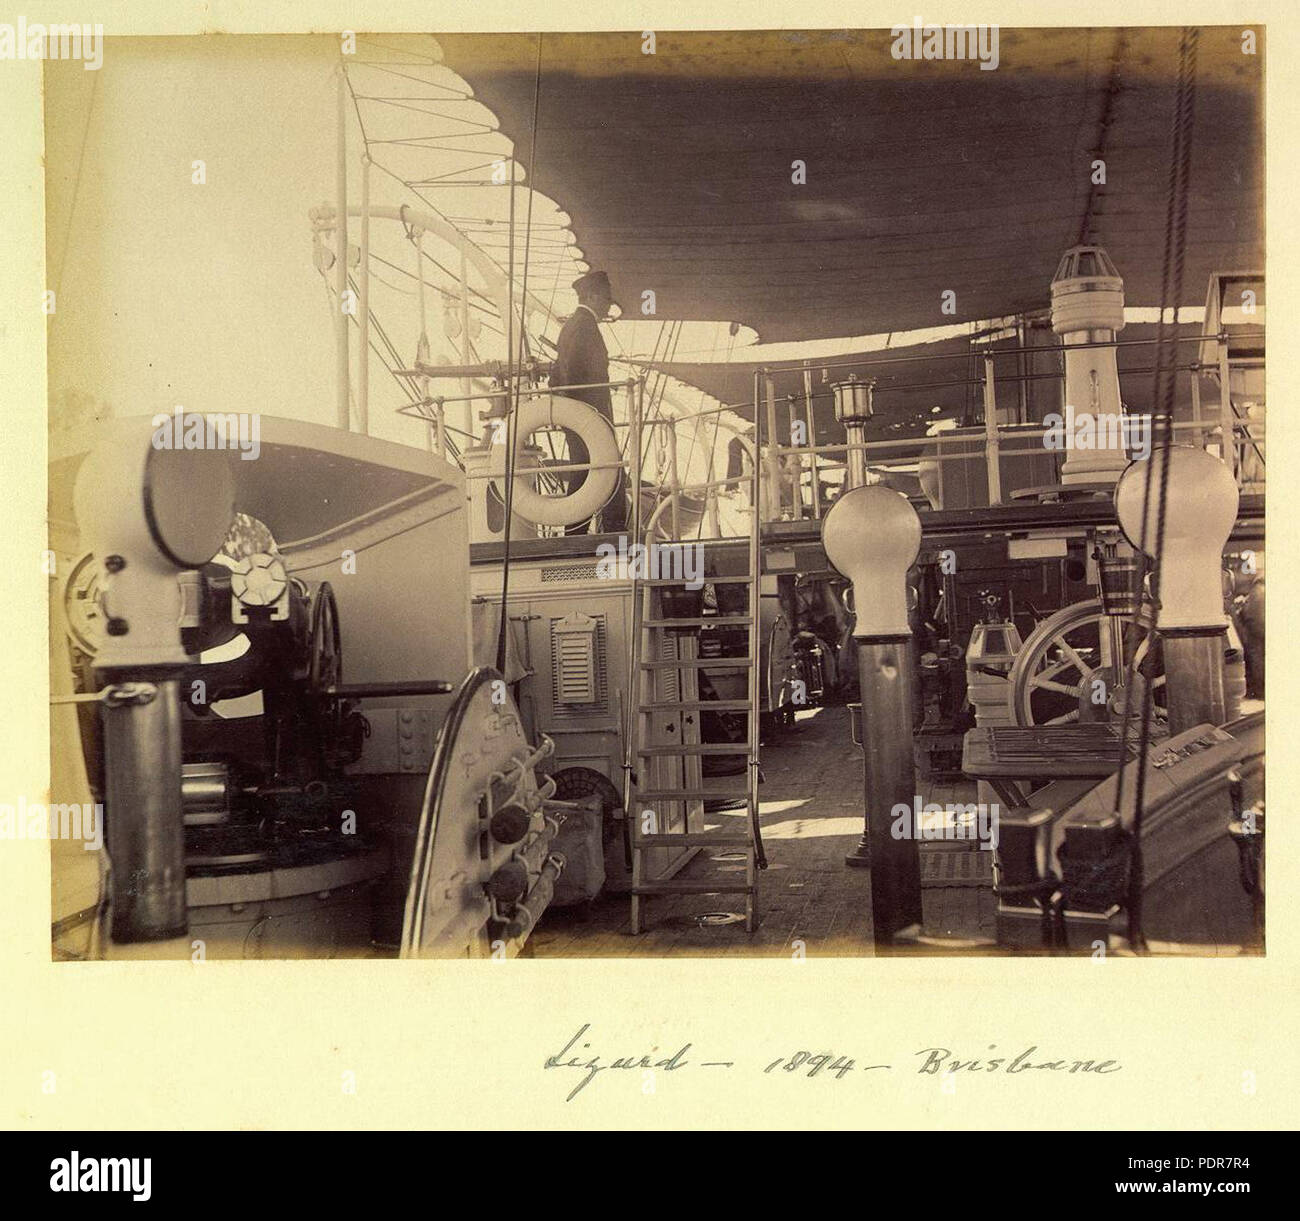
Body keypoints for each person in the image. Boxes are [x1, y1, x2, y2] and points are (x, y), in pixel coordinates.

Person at [549, 270, 627, 534]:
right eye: (606, 298)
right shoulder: (584, 327)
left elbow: (558, 374)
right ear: (593, 297)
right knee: (609, 472)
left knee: (587, 473)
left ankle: (577, 534)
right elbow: (571, 373)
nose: (608, 304)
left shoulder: (573, 326)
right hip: (589, 417)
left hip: (581, 416)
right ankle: (612, 532)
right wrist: (585, 414)